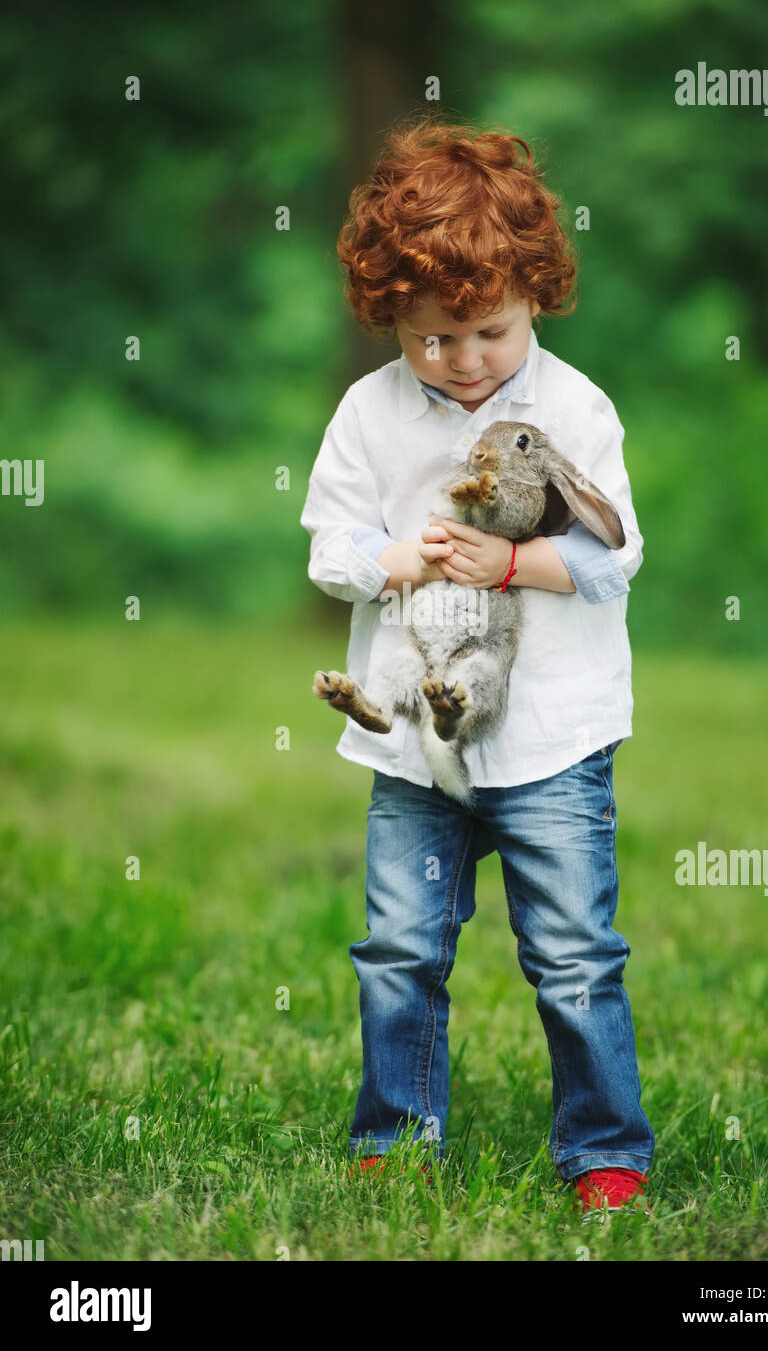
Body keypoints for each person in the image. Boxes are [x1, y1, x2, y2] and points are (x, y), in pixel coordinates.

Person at [299, 116, 654, 1215]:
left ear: (533, 296)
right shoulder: (369, 413)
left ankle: (604, 1147)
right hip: (415, 745)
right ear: (391, 319)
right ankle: (397, 1137)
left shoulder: (573, 407)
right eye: (431, 339)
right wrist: (393, 557)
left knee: (574, 953)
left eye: (486, 333)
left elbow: (613, 557)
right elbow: (330, 550)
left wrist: (509, 559)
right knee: (400, 947)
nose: (460, 360)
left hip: (551, 732)